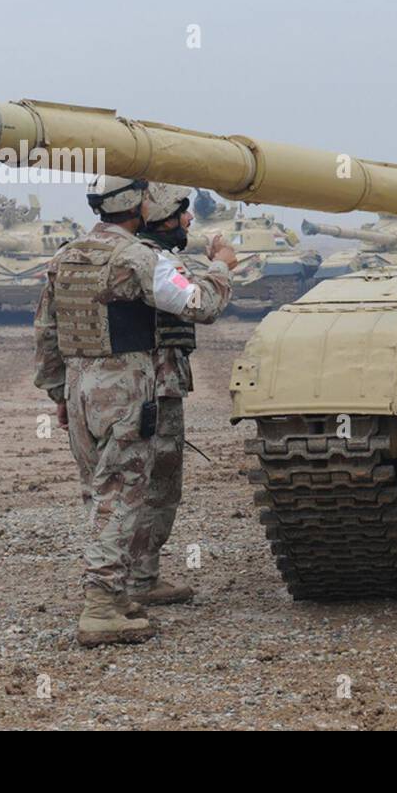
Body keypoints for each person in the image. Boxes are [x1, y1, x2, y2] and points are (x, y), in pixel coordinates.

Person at [34, 176, 236, 647]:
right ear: (137, 210)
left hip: (83, 386)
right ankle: (101, 606)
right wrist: (221, 268)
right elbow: (199, 304)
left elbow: (46, 329)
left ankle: (120, 592)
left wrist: (60, 394)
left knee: (100, 492)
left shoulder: (68, 255)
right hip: (125, 389)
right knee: (122, 494)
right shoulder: (135, 257)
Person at [128, 182, 235, 607]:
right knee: (157, 484)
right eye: (183, 213)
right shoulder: (154, 264)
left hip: (113, 388)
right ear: (162, 220)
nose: (189, 220)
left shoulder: (119, 258)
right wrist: (222, 266)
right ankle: (138, 579)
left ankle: (123, 577)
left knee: (115, 483)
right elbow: (202, 305)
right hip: (155, 388)